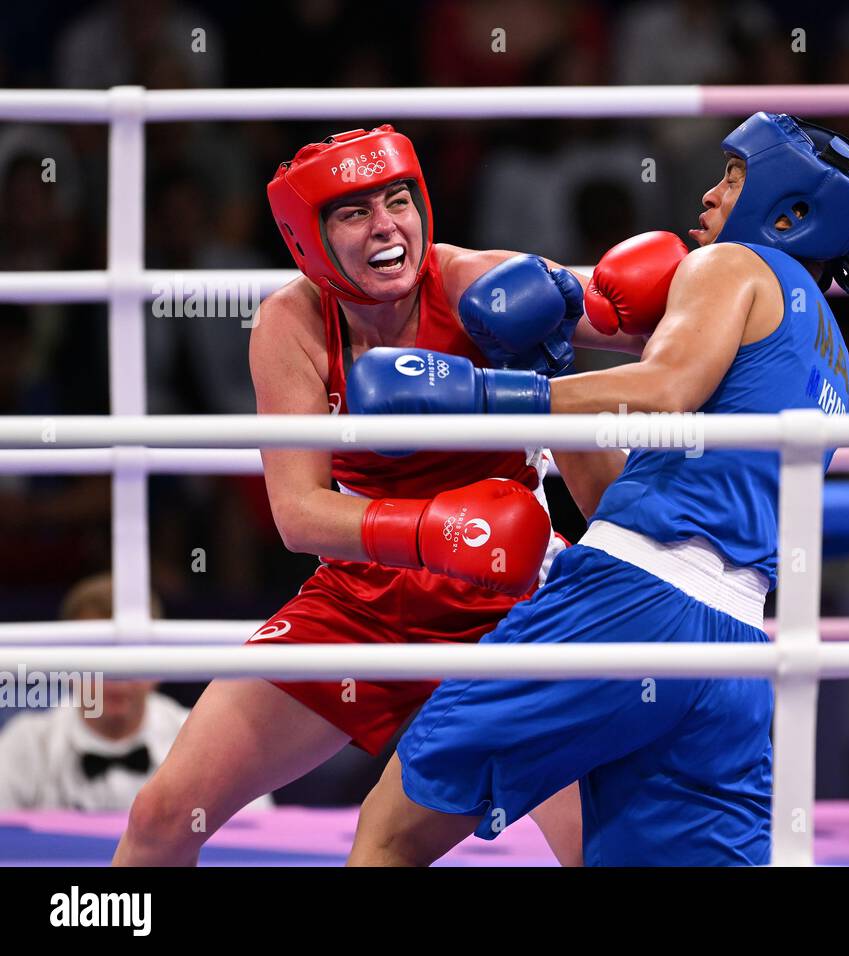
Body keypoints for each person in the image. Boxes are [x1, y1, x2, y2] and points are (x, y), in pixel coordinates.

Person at [343, 112, 849, 865]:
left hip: (623, 611)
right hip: (731, 653)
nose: (707, 195)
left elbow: (663, 390)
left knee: (390, 832)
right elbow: (621, 510)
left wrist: (479, 394)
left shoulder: (733, 267)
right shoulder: (832, 361)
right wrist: (548, 371)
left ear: (790, 209)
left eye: (732, 177)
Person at [113, 125, 640, 866]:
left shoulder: (485, 285)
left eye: (398, 200)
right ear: (309, 240)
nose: (388, 226)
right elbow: (298, 514)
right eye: (355, 212)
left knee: (607, 851)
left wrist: (734, 275)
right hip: (364, 600)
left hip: (514, 600)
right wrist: (437, 531)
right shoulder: (290, 324)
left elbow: (658, 339)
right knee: (163, 816)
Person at [0, 574, 272, 813]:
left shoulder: (207, 738)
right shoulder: (25, 745)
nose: (118, 674)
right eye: (97, 655)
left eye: (130, 655)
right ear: (65, 664)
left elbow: (256, 841)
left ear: (158, 661)